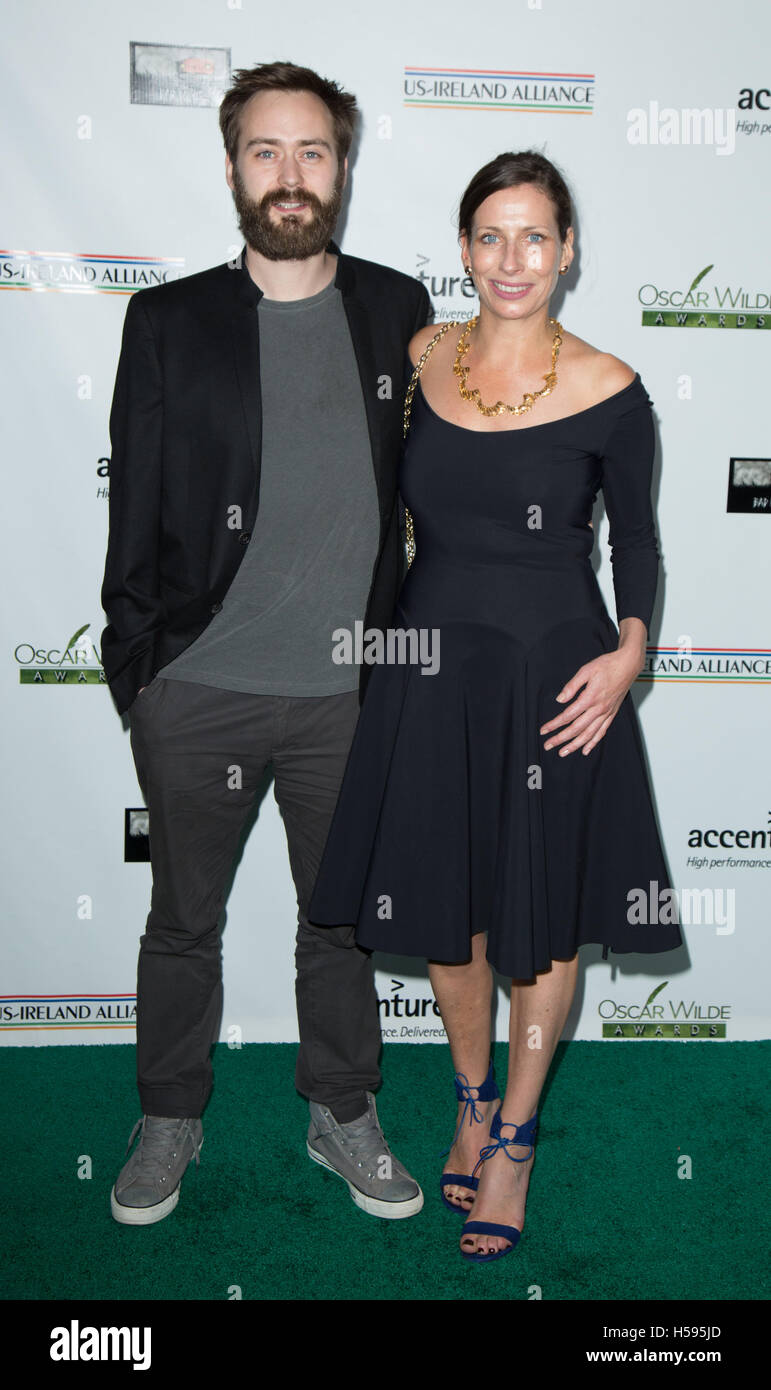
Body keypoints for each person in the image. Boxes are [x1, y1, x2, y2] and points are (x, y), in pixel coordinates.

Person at [308, 151, 683, 1261]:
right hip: (432, 672)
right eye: (490, 236)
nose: (511, 259)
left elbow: (641, 542)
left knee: (540, 918)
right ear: (464, 248)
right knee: (449, 909)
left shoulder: (612, 386)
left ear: (567, 251)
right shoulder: (426, 353)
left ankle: (516, 1136)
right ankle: (471, 1100)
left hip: (556, 680)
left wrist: (631, 653)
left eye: (535, 237)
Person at [101, 61, 431, 1226]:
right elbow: (132, 505)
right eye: (265, 151)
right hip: (199, 693)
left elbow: (432, 500)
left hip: (348, 698)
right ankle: (168, 1113)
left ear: (342, 167)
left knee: (338, 924)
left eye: (313, 152)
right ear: (233, 165)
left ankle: (340, 1108)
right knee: (182, 924)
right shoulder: (168, 320)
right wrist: (142, 677)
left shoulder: (400, 312)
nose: (290, 177)